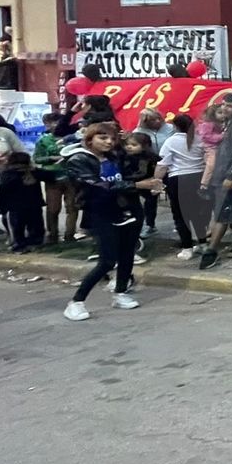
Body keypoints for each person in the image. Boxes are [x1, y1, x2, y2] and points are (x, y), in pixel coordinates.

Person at [63, 122, 163, 320]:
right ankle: (76, 301)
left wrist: (152, 182)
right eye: (102, 138)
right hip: (102, 213)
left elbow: (138, 167)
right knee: (107, 261)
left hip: (128, 209)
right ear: (89, 139)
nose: (109, 142)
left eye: (112, 138)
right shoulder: (78, 160)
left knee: (127, 255)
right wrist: (136, 184)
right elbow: (97, 185)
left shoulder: (115, 156)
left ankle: (120, 293)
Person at [199, 95, 232, 270]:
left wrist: (231, 175)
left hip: (227, 178)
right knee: (221, 214)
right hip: (220, 177)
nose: (225, 108)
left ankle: (211, 251)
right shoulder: (229, 125)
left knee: (223, 215)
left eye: (230, 106)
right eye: (223, 105)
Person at [156, 114, 212, 260]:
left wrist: (156, 181)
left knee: (180, 215)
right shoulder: (200, 139)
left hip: (178, 180)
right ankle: (202, 243)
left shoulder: (171, 141)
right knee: (197, 214)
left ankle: (187, 247)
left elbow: (163, 165)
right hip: (198, 178)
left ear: (175, 126)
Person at [34, 113, 79, 244]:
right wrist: (50, 159)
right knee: (53, 208)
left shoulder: (72, 138)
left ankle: (70, 236)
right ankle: (52, 236)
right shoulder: (43, 140)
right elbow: (36, 158)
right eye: (49, 123)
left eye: (56, 122)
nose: (53, 125)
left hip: (71, 176)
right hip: (52, 177)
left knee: (72, 207)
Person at [133, 110, 172, 235]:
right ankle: (149, 224)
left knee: (174, 195)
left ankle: (180, 223)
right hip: (149, 168)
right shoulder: (139, 132)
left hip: (170, 166)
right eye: (152, 120)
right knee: (151, 197)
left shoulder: (171, 129)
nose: (157, 122)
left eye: (158, 118)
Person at [0, 152, 48, 252]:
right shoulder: (33, 172)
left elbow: (2, 191)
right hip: (32, 204)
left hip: (15, 207)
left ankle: (20, 245)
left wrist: (2, 207)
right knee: (34, 225)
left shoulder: (8, 174)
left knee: (18, 228)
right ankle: (33, 243)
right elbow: (50, 176)